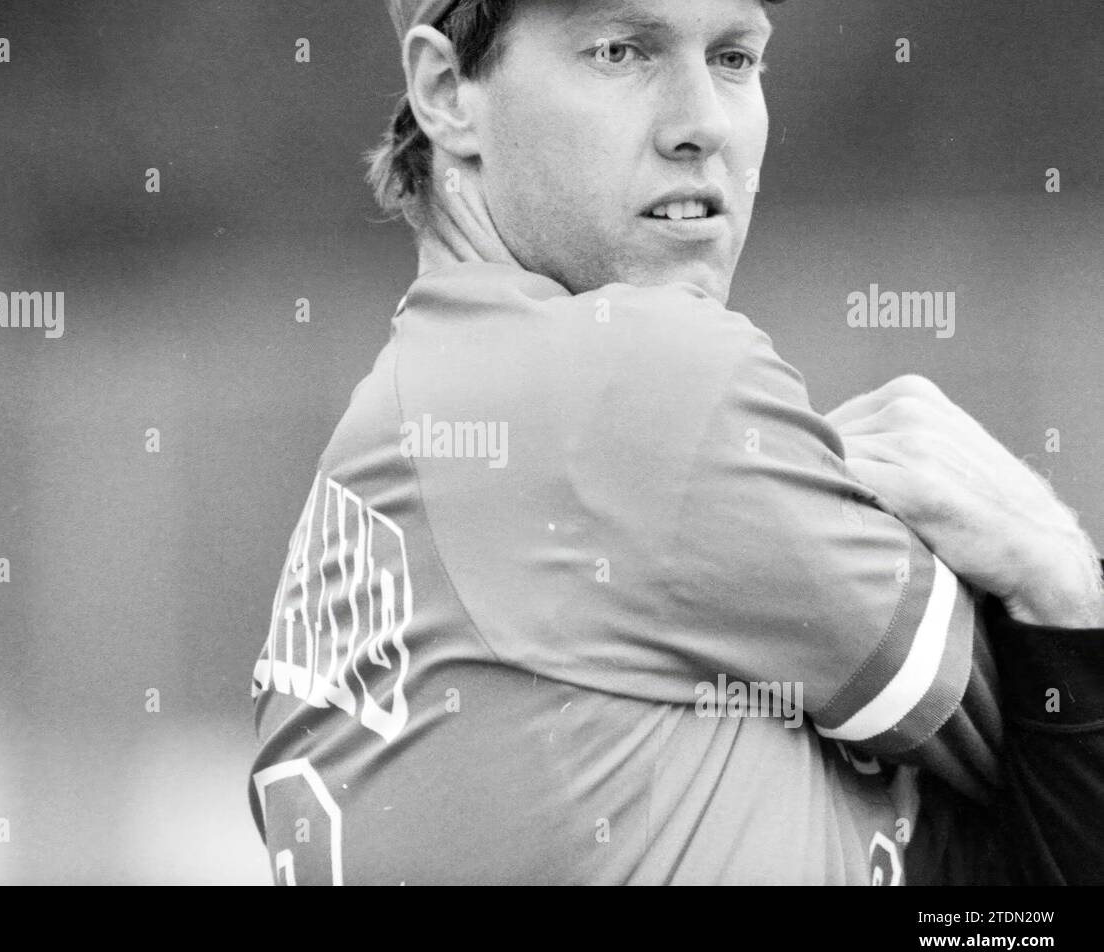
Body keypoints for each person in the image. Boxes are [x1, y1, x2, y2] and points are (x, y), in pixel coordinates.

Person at [248, 0, 1104, 884]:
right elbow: (1073, 758)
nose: (703, 124)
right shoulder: (635, 376)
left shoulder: (380, 445)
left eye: (734, 57)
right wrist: (1057, 570)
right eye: (621, 50)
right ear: (447, 91)